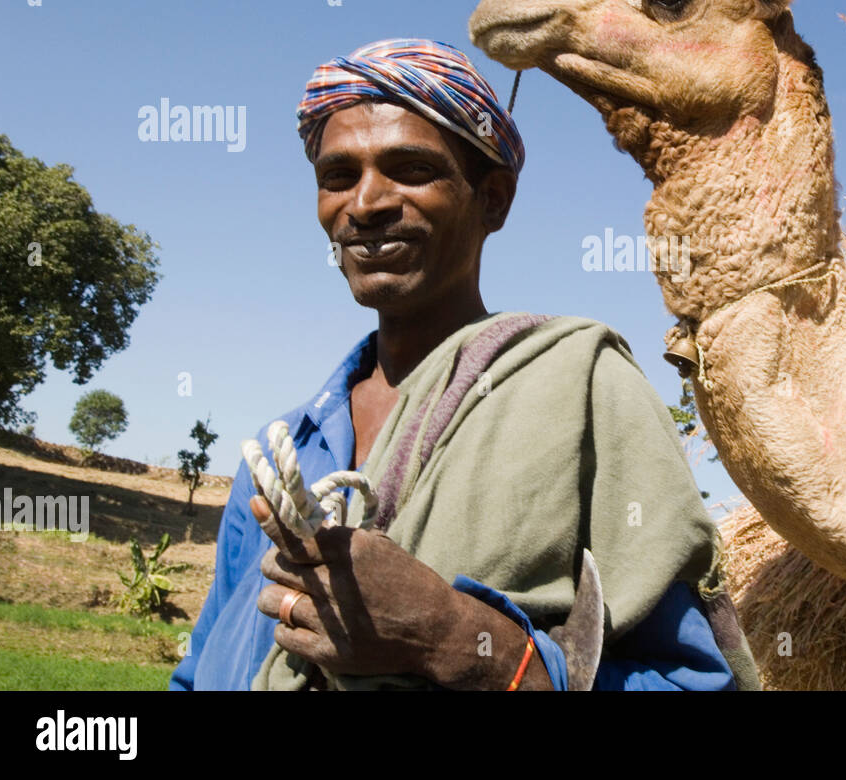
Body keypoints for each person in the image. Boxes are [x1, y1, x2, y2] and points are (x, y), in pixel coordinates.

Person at [170, 38, 758, 691]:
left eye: (410, 169)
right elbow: (199, 673)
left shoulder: (578, 390)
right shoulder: (281, 453)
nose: (365, 204)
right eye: (338, 176)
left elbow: (696, 681)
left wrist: (453, 637)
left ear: (494, 200)